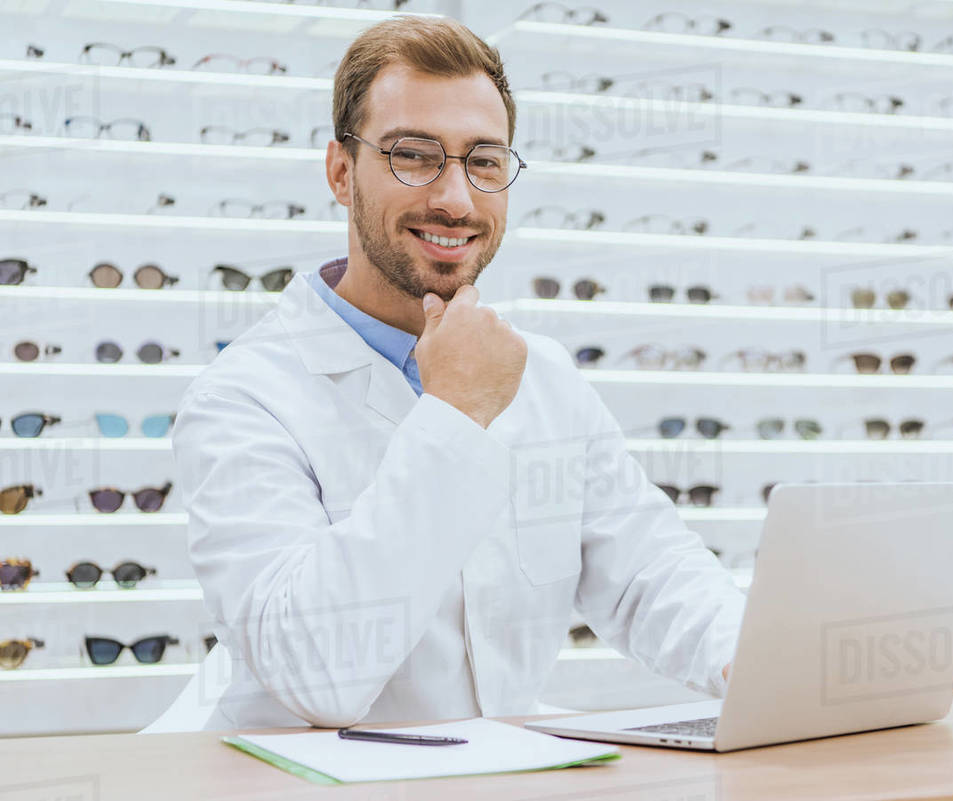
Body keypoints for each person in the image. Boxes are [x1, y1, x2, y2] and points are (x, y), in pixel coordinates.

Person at [173, 15, 744, 729]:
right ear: (341, 173)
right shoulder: (243, 399)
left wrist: (756, 662)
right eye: (413, 156)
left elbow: (649, 574)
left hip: (505, 768)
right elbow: (316, 674)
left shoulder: (546, 377)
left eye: (484, 161)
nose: (456, 199)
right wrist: (456, 414)